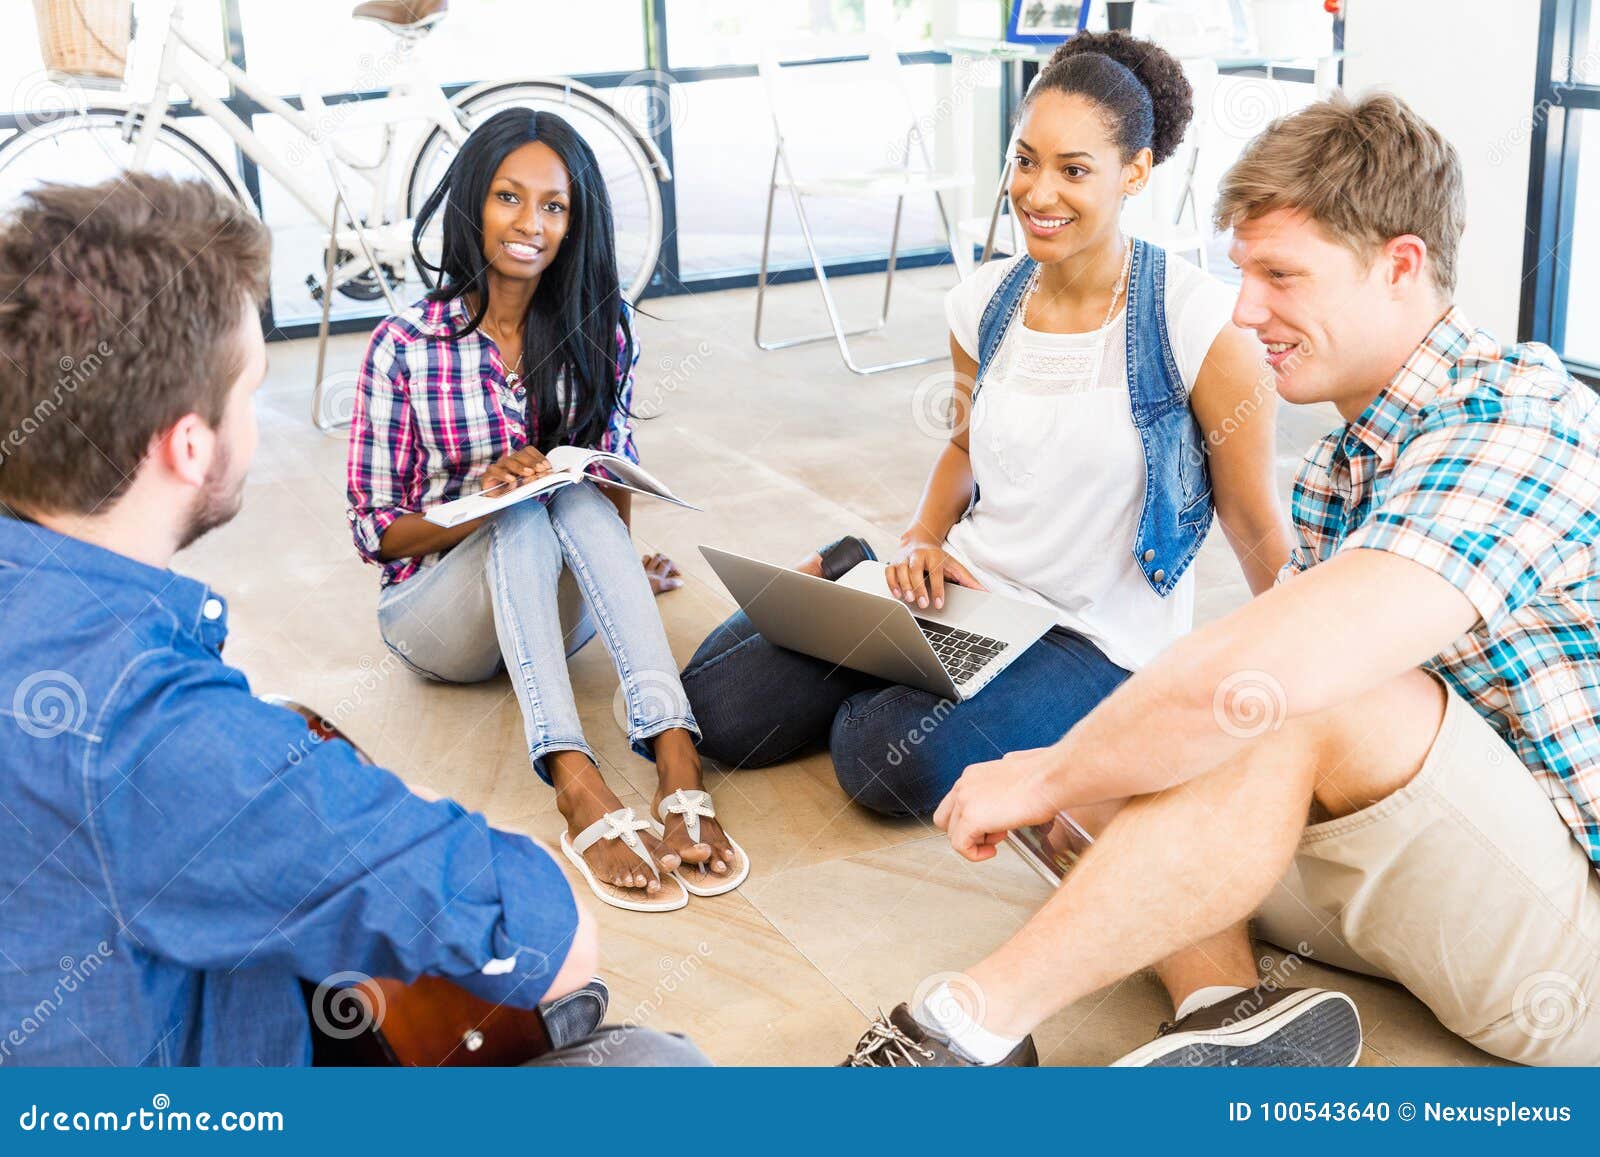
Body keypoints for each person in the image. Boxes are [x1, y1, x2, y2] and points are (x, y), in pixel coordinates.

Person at [848, 91, 1600, 1067]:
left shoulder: (1521, 422)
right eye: (1242, 272)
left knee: (1289, 684)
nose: (1245, 311)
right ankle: (1222, 1009)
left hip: (1567, 948)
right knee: (1125, 767)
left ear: (1400, 265)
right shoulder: (1343, 463)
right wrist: (1086, 775)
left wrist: (1043, 771)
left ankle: (962, 1027)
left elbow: (1287, 667)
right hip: (1423, 872)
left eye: (1280, 275)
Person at [0, 173, 705, 1066]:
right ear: (190, 445)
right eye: (249, 392)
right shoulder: (152, 729)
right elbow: (554, 938)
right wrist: (397, 821)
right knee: (656, 1064)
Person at [682, 31, 1291, 818]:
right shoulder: (984, 302)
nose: (1038, 193)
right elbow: (963, 447)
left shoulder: (1199, 322)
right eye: (1026, 160)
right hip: (970, 591)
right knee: (717, 711)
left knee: (882, 758)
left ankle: (869, 638)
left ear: (1135, 171)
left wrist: (1298, 677)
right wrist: (920, 538)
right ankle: (849, 576)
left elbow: (1250, 517)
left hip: (1091, 640)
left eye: (1074, 170)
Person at [347, 109, 744, 913]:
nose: (531, 223)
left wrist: (617, 569)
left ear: (575, 220)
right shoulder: (404, 345)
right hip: (438, 620)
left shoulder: (603, 328)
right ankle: (573, 777)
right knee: (525, 510)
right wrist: (484, 500)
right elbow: (376, 530)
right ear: (472, 201)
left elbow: (612, 473)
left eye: (553, 205)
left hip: (549, 615)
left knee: (574, 486)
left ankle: (676, 753)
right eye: (509, 197)